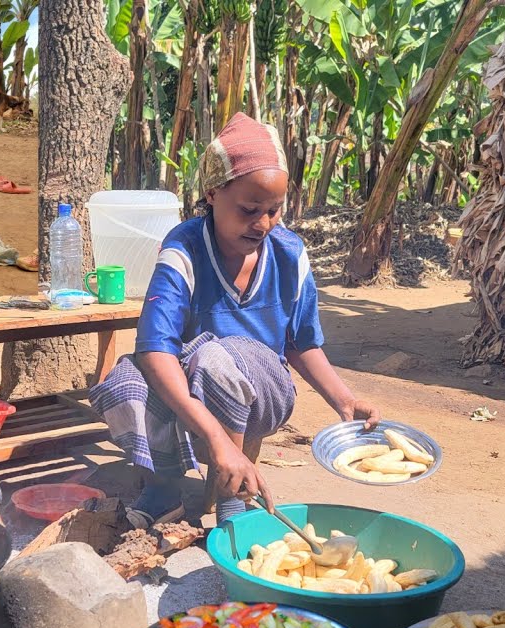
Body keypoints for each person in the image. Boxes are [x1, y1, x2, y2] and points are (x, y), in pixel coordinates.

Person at [89, 112, 381, 529]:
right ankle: (164, 487)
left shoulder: (289, 254)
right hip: (197, 386)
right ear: (212, 194)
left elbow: (300, 342)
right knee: (125, 381)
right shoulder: (184, 249)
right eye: (249, 210)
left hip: (263, 393)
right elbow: (155, 350)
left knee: (214, 358)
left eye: (274, 211)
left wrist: (345, 401)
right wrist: (214, 437)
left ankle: (232, 503)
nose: (262, 224)